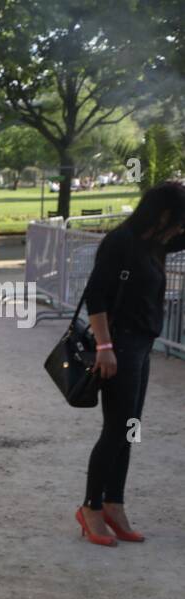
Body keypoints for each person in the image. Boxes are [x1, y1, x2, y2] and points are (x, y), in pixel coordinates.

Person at [76, 180, 185, 546]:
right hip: (119, 346)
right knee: (116, 427)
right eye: (178, 219)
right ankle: (91, 508)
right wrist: (105, 346)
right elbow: (96, 296)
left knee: (129, 427)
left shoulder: (156, 242)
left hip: (142, 345)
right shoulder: (120, 242)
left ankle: (114, 503)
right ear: (164, 214)